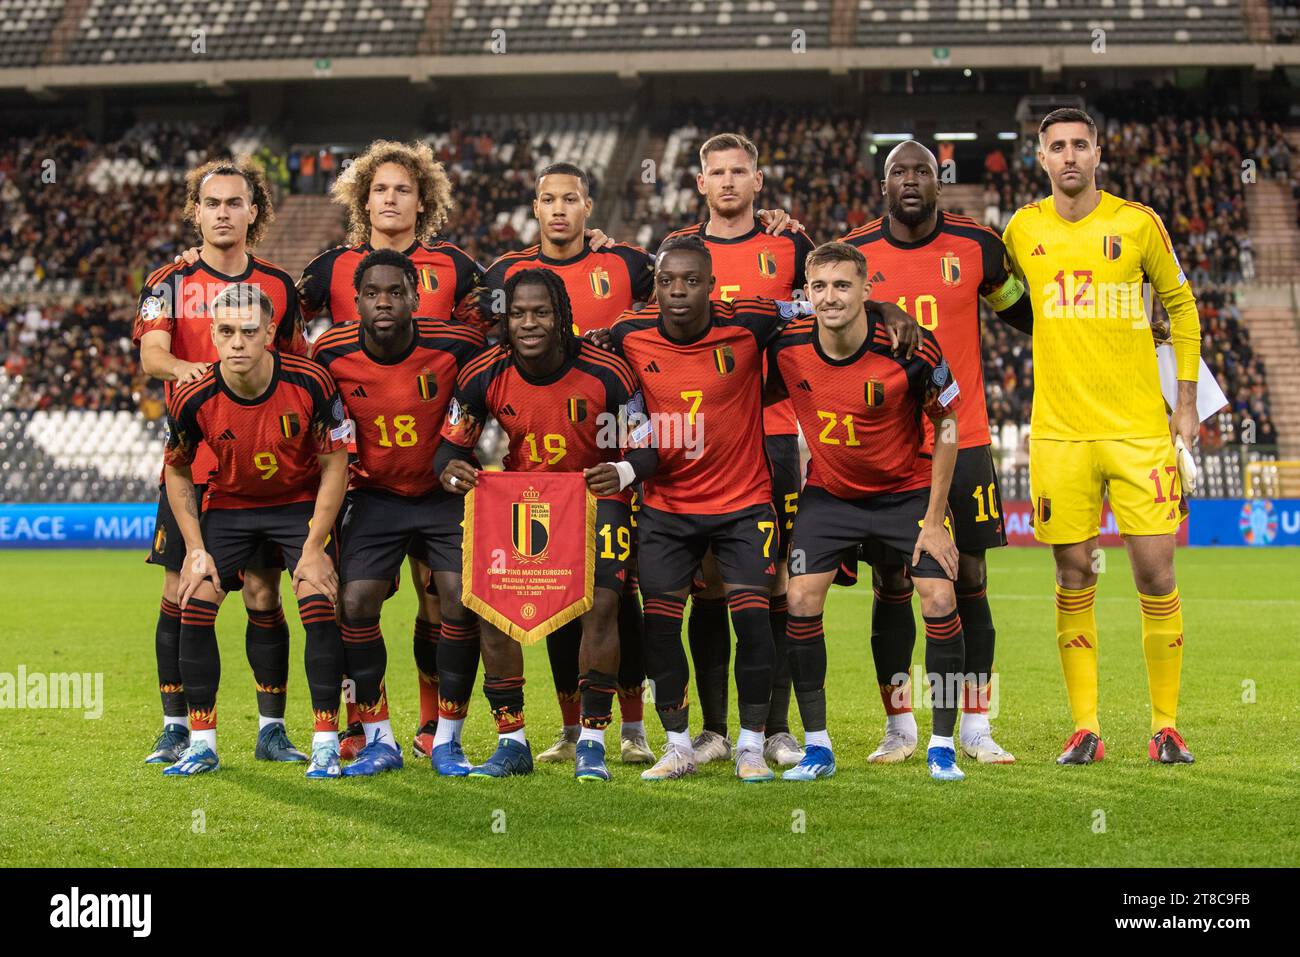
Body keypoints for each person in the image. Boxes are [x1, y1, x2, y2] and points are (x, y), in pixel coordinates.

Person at [1002, 108, 1200, 765]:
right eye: (1055, 146)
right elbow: (992, 289)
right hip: (1059, 435)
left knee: (1154, 569)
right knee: (1074, 569)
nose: (1068, 156)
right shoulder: (1021, 229)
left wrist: (1188, 404)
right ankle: (1085, 727)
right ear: (1039, 157)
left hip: (1140, 430)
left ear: (1097, 153)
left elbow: (1183, 303)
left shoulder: (1137, 222)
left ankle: (1166, 726)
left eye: (1079, 144)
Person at [839, 139, 1033, 765]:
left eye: (924, 170)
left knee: (970, 579)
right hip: (889, 450)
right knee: (891, 582)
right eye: (900, 171)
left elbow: (1027, 315)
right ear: (884, 182)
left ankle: (975, 724)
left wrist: (1120, 323)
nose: (913, 180)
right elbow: (811, 311)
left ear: (939, 179)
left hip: (965, 437)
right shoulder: (858, 252)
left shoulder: (979, 246)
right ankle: (898, 725)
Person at [435, 269, 657, 781]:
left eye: (541, 312)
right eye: (518, 313)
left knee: (602, 604)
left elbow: (647, 447)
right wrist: (450, 469)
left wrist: (621, 470)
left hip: (594, 496)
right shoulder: (484, 372)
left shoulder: (608, 372)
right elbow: (450, 446)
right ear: (505, 318)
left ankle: (594, 743)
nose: (529, 323)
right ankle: (511, 742)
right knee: (490, 609)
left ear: (562, 317)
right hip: (523, 504)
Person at [767, 242, 968, 781]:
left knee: (940, 593)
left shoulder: (911, 347)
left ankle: (942, 745)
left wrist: (934, 519)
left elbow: (950, 421)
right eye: (820, 287)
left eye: (843, 286)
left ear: (866, 290)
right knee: (801, 596)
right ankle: (817, 746)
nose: (830, 297)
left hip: (906, 491)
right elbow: (735, 314)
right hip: (831, 493)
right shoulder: (785, 341)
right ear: (805, 294)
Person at [479, 162, 657, 765]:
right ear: (534, 207)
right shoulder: (503, 274)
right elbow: (476, 338)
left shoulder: (630, 265)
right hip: (534, 486)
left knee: (615, 603)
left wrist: (631, 467)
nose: (559, 209)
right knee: (552, 606)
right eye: (548, 199)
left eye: (570, 199)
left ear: (588, 206)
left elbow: (674, 312)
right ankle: (573, 729)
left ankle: (628, 727)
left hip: (605, 472)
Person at [134, 157, 308, 767]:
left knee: (263, 595)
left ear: (253, 211)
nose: (224, 212)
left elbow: (294, 370)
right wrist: (196, 374)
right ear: (197, 211)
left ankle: (271, 728)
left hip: (261, 469)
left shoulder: (280, 287)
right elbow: (153, 356)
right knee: (181, 593)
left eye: (236, 202)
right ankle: (177, 727)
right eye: (213, 203)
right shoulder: (168, 282)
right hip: (191, 462)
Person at [160, 284, 349, 778]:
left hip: (297, 505)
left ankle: (323, 739)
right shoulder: (192, 395)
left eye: (249, 331)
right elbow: (177, 470)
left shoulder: (311, 381)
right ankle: (202, 742)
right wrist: (196, 549)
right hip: (230, 505)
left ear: (270, 332)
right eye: (227, 332)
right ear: (212, 335)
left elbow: (335, 464)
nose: (238, 342)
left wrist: (313, 547)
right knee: (195, 596)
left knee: (316, 594)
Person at [311, 249, 487, 776]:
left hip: (442, 496)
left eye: (395, 292)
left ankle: (449, 739)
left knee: (460, 601)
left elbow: (497, 381)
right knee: (356, 602)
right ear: (356, 302)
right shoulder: (330, 353)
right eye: (372, 294)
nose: (383, 302)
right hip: (374, 496)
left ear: (416, 297)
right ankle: (379, 738)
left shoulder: (459, 344)